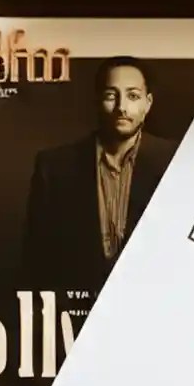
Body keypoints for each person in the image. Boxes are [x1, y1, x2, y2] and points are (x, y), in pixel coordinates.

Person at [19, 56, 178, 291]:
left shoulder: (176, 160)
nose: (122, 107)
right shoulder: (54, 167)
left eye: (133, 96)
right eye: (111, 95)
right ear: (96, 101)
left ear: (148, 103)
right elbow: (38, 259)